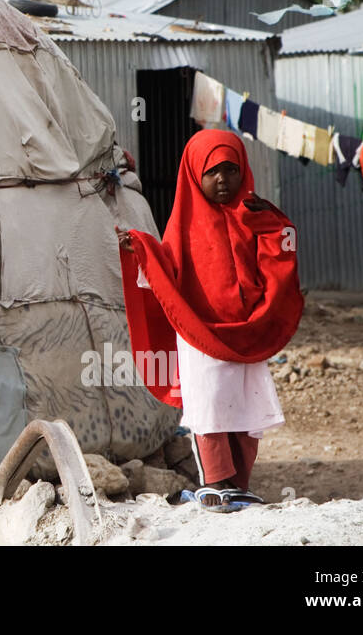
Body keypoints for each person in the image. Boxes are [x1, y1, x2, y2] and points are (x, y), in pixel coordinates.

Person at [117, 129, 303, 512]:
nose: (223, 180)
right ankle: (216, 482)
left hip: (249, 331)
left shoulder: (257, 216)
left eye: (232, 170)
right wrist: (141, 247)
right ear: (194, 174)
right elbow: (167, 268)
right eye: (213, 171)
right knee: (210, 405)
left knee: (247, 406)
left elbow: (281, 256)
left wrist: (270, 224)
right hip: (199, 333)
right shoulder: (183, 226)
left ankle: (240, 484)